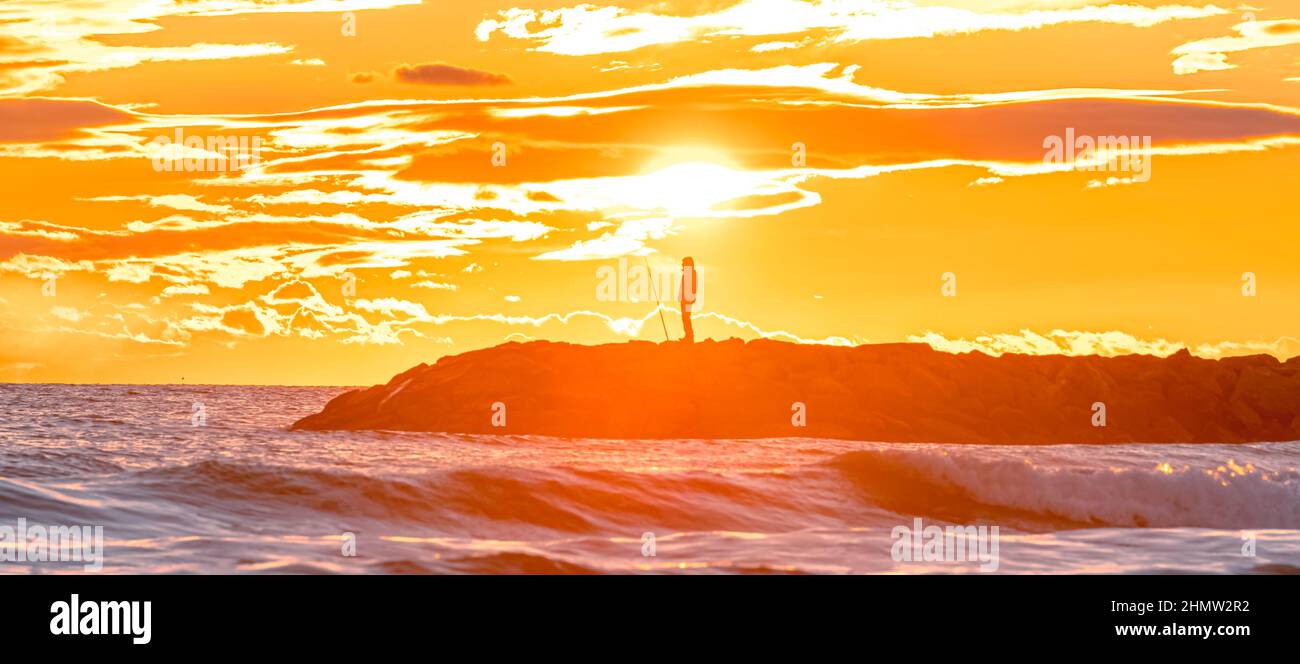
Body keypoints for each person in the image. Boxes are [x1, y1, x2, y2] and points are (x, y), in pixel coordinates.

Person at [679, 257, 699, 343]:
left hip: (687, 299)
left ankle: (689, 337)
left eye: (684, 263)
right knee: (685, 317)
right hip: (684, 299)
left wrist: (691, 297)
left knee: (686, 317)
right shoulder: (688, 273)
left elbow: (693, 286)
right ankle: (688, 336)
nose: (682, 264)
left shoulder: (692, 273)